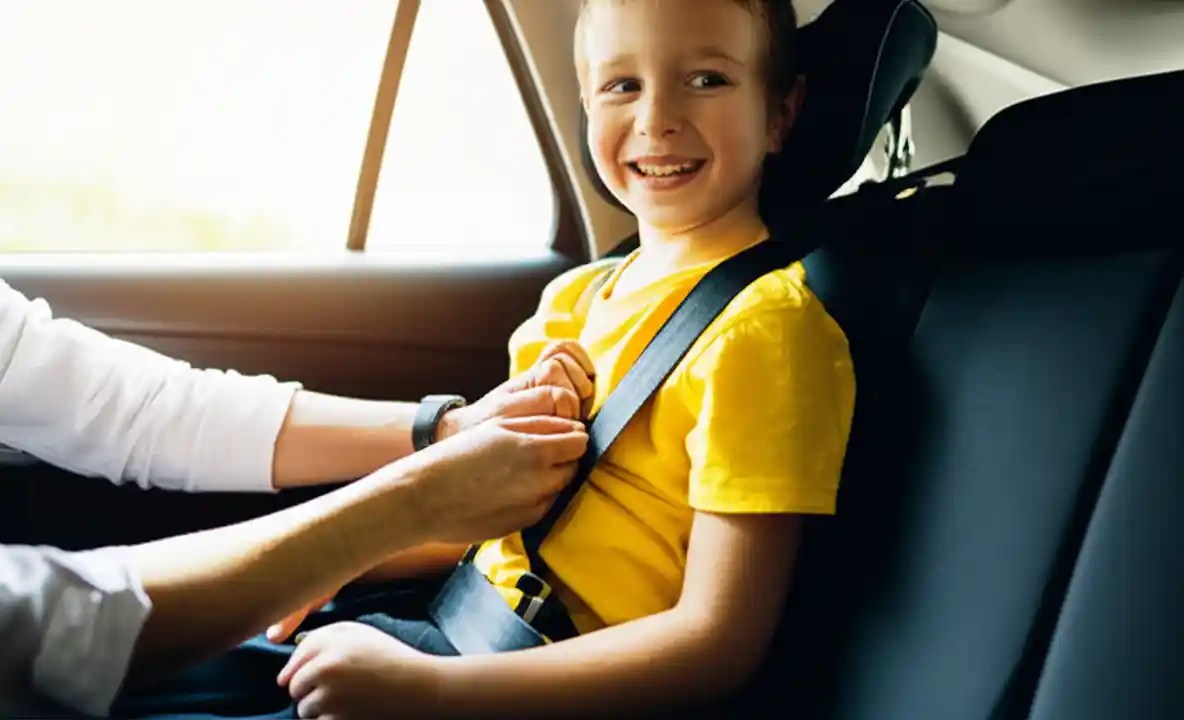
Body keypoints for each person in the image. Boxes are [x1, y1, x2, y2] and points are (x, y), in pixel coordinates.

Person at [115, 1, 856, 717]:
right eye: (621, 84)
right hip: (444, 631)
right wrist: (339, 562)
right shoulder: (576, 300)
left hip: (529, 685)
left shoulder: (767, 332)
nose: (657, 117)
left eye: (706, 79)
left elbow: (716, 642)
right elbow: (492, 516)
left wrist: (426, 696)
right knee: (111, 678)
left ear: (780, 115)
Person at [0, 269, 595, 714]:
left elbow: (123, 406)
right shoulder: (573, 304)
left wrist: (442, 432)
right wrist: (384, 519)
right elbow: (42, 629)